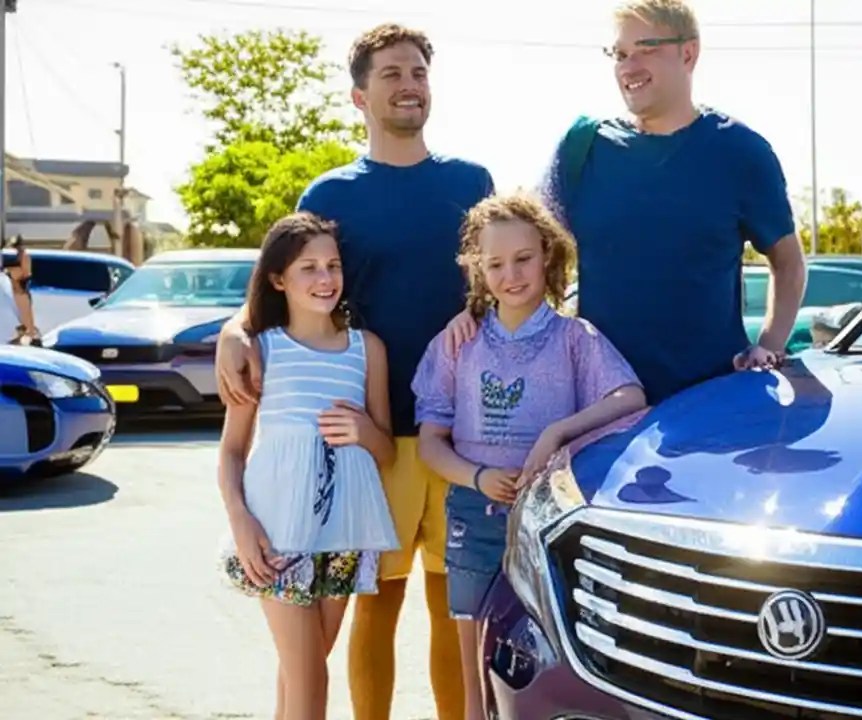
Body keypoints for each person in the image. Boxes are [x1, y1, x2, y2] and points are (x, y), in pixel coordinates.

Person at [213, 22, 493, 720]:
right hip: (371, 438)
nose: (409, 84)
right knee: (378, 604)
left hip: (462, 434)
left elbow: (496, 290)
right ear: (359, 96)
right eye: (392, 74)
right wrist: (231, 329)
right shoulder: (331, 191)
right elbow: (284, 276)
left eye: (419, 72)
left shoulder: (470, 182)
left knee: (454, 608)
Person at [444, 0, 807, 405]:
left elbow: (788, 262)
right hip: (598, 405)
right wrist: (479, 311)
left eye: (646, 49)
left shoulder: (741, 153)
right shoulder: (583, 147)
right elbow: (523, 248)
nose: (628, 67)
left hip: (710, 403)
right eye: (619, 54)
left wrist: (769, 345)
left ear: (689, 53)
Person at [412, 193, 646, 720]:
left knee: (547, 648)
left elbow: (629, 397)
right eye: (494, 264)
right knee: (472, 655)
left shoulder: (574, 338)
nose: (511, 274)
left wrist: (558, 433)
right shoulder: (458, 345)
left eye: (523, 259)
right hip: (474, 513)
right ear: (477, 269)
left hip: (547, 513)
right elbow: (431, 441)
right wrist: (477, 475)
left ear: (548, 256)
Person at [215, 212, 399, 720]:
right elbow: (232, 450)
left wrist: (364, 433)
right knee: (311, 681)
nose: (325, 279)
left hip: (345, 534)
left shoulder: (368, 349)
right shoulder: (261, 349)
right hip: (277, 537)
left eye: (332, 266)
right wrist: (241, 523)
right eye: (308, 269)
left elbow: (386, 453)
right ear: (279, 279)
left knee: (303, 670)